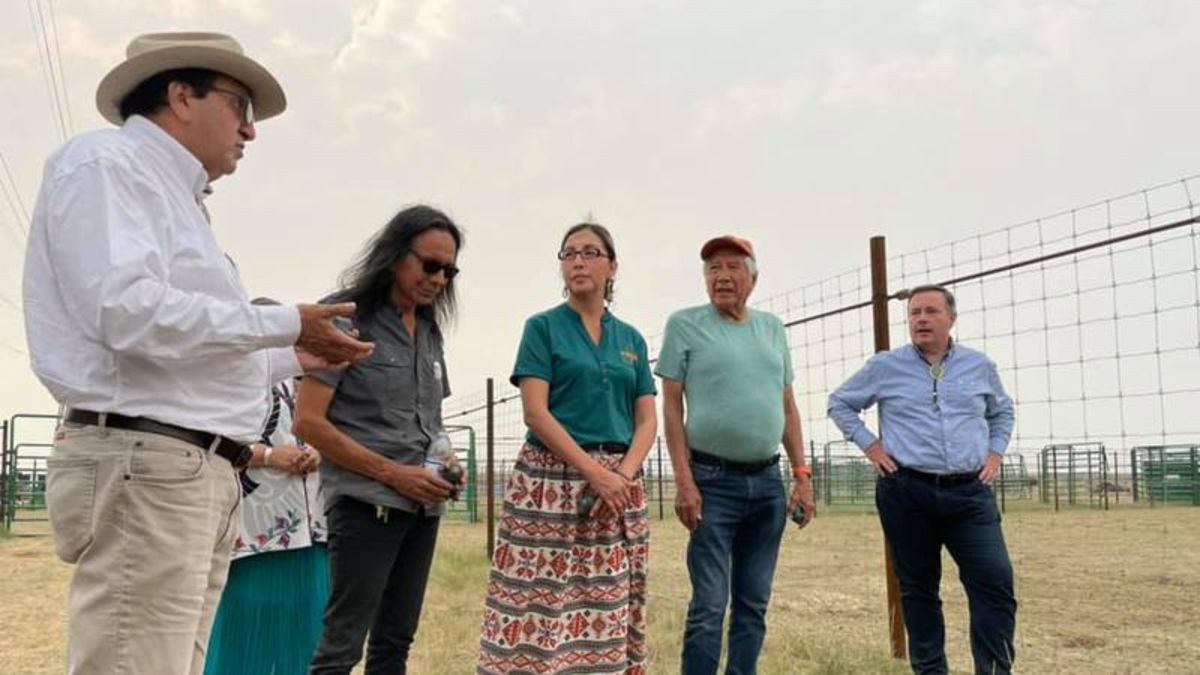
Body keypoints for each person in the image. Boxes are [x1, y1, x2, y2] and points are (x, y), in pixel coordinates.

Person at [24, 31, 371, 674]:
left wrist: (297, 355)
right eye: (241, 106)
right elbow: (122, 312)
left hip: (184, 465)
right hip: (151, 463)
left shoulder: (167, 195)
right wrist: (281, 322)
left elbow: (176, 354)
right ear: (182, 96)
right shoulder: (106, 166)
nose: (251, 130)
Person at [478, 222, 657, 675]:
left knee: (607, 596)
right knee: (538, 599)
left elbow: (646, 418)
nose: (578, 260)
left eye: (591, 252)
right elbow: (536, 412)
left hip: (618, 485)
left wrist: (621, 476)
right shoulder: (542, 328)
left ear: (612, 266)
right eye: (569, 253)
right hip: (550, 480)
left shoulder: (631, 340)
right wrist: (594, 474)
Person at [295, 205, 465, 675]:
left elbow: (432, 420)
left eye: (449, 270)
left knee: (395, 644)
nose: (438, 279)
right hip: (366, 505)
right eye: (429, 264)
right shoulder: (346, 319)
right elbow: (308, 423)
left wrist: (446, 461)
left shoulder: (429, 330)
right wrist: (393, 473)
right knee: (341, 648)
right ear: (394, 256)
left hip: (423, 509)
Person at [827, 284, 1017, 675]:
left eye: (931, 311)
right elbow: (840, 402)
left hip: (969, 493)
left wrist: (995, 452)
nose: (921, 319)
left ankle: (996, 670)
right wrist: (871, 446)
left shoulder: (980, 366)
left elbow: (1002, 411)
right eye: (914, 313)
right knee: (918, 592)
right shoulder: (885, 366)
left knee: (995, 585)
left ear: (951, 318)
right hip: (907, 491)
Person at [655, 235, 815, 675]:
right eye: (712, 269)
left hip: (767, 485)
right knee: (709, 606)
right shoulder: (685, 325)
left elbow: (787, 406)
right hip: (711, 482)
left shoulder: (772, 328)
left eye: (733, 267)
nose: (722, 276)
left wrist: (801, 476)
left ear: (754, 277)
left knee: (754, 602)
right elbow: (671, 406)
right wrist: (684, 481)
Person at [205, 300, 329, 675]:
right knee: (244, 638)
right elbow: (211, 442)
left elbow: (328, 427)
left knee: (310, 634)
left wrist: (319, 453)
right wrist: (270, 456)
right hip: (253, 530)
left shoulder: (306, 378)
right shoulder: (227, 379)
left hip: (311, 529)